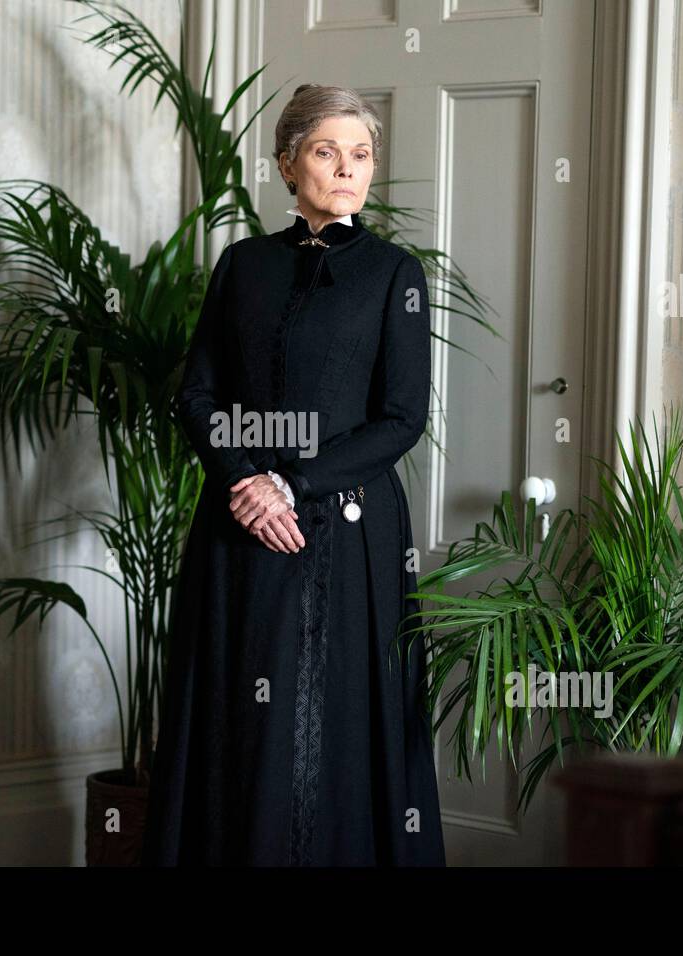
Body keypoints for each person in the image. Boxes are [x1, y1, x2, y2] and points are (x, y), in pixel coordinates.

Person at [140, 84, 447, 866]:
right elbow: (199, 394)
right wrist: (245, 482)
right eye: (326, 151)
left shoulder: (394, 274)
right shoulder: (243, 265)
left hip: (348, 529)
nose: (348, 168)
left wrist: (292, 486)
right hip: (240, 526)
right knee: (246, 724)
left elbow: (402, 419)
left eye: (362, 155)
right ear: (286, 163)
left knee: (331, 722)